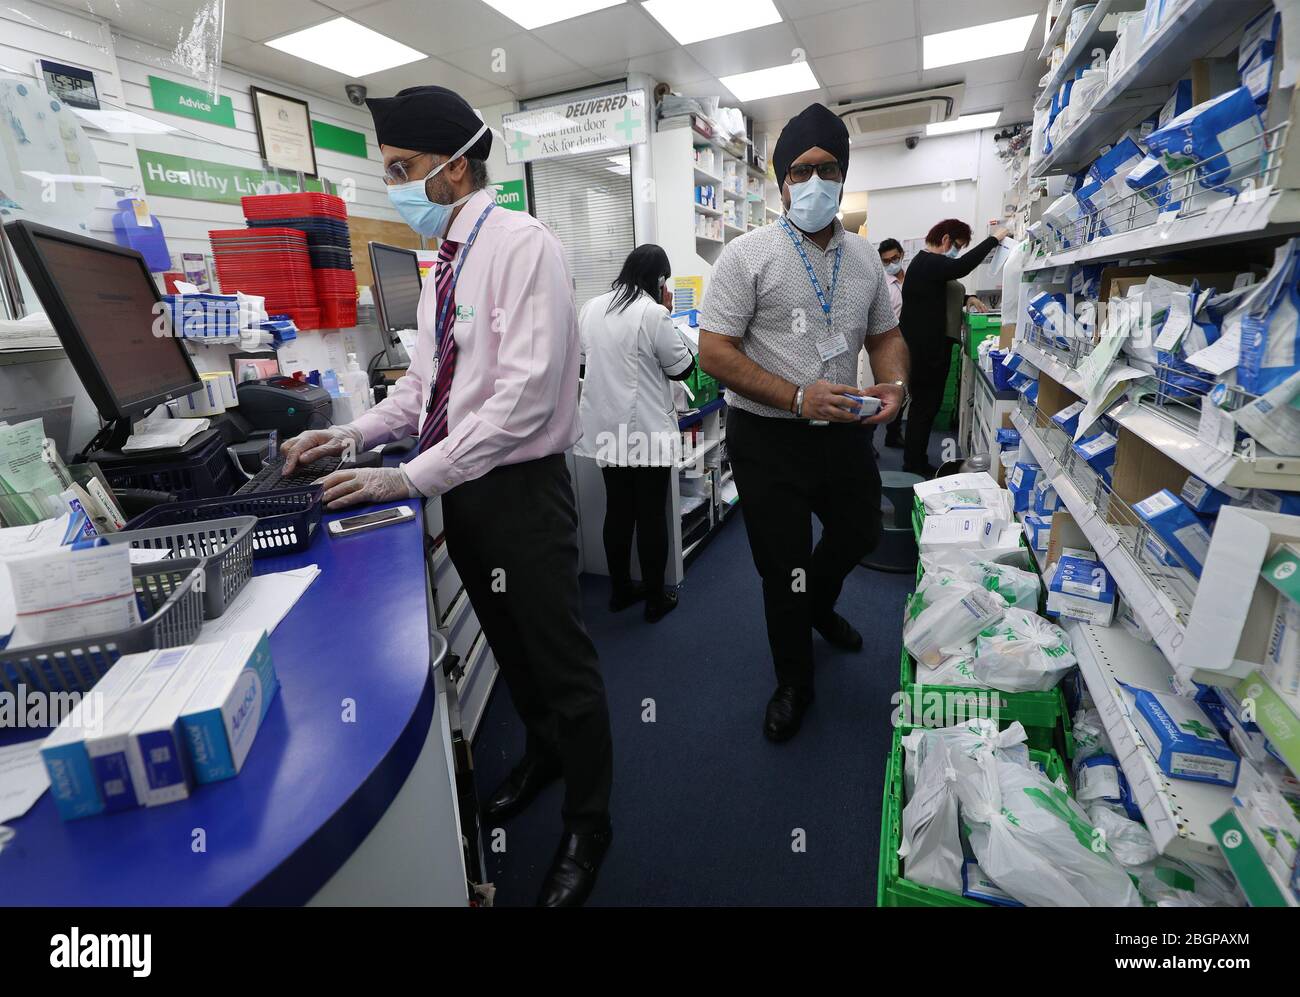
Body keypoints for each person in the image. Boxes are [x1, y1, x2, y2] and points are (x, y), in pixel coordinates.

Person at [278, 85, 614, 907]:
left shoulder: (521, 245)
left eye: (403, 169)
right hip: (464, 487)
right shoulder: (444, 265)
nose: (392, 184)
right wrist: (354, 434)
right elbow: (429, 390)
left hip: (521, 491)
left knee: (561, 659)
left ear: (456, 168)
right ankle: (541, 755)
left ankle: (590, 819)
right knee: (509, 641)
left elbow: (525, 400)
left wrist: (409, 475)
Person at [699, 102, 909, 743]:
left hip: (845, 427)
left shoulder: (868, 259)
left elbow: (887, 334)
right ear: (781, 180)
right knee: (781, 564)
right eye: (799, 170)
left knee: (860, 533)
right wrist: (795, 397)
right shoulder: (746, 255)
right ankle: (794, 680)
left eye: (826, 168)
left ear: (842, 176)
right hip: (769, 436)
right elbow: (714, 352)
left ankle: (816, 605)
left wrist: (895, 384)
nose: (813, 181)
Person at [576, 244, 695, 623]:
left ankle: (620, 592)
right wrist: (669, 315)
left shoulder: (592, 308)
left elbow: (584, 363)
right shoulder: (653, 313)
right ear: (660, 280)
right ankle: (656, 600)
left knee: (619, 511)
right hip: (645, 432)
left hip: (605, 430)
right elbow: (682, 368)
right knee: (651, 515)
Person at [898, 217, 1007, 478]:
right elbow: (961, 267)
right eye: (958, 245)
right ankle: (913, 464)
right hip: (926, 352)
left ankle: (915, 460)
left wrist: (968, 297)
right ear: (946, 239)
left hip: (923, 348)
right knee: (925, 407)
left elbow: (948, 286)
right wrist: (995, 239)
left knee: (924, 407)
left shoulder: (924, 265)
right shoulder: (929, 261)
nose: (957, 251)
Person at [876, 238, 906, 448]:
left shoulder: (912, 279)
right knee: (882, 393)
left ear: (901, 254)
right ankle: (869, 441)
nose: (891, 263)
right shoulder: (884, 286)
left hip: (909, 341)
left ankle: (893, 434)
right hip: (889, 343)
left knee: (902, 390)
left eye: (894, 258)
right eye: (886, 261)